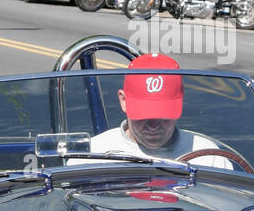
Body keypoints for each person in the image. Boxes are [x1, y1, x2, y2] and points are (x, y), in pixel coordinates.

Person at [88, 53, 233, 167]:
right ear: (123, 101)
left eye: (164, 116)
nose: (153, 126)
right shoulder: (93, 155)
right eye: (143, 115)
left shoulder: (208, 157)